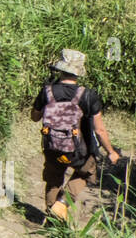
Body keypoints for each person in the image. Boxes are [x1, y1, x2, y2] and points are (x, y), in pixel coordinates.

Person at [30, 49, 121, 222]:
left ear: (60, 69)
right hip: (78, 152)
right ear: (79, 71)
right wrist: (111, 151)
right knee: (87, 173)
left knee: (54, 178)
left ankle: (53, 220)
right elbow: (99, 130)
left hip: (51, 147)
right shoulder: (87, 95)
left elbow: (34, 117)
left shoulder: (47, 91)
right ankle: (63, 201)